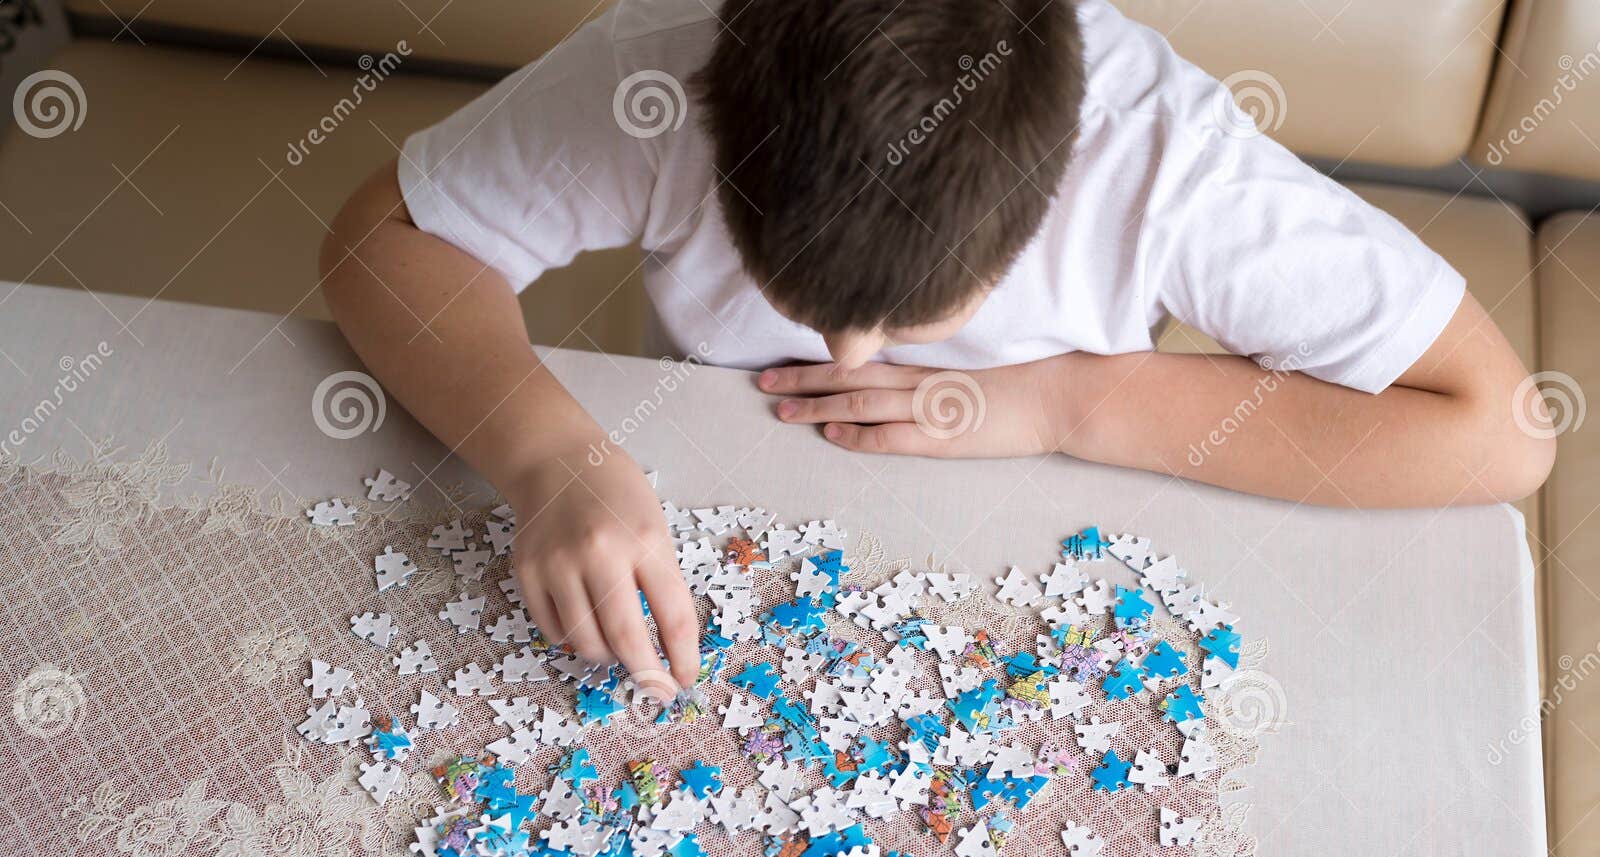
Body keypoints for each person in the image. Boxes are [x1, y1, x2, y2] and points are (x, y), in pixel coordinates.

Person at [320, 0, 1553, 690]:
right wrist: (548, 457)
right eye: (789, 288)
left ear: (1049, 192)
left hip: (1044, 550)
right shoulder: (667, 70)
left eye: (904, 317)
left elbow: (1498, 428)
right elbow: (383, 237)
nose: (848, 351)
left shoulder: (1166, 163)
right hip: (699, 498)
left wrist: (1071, 403)